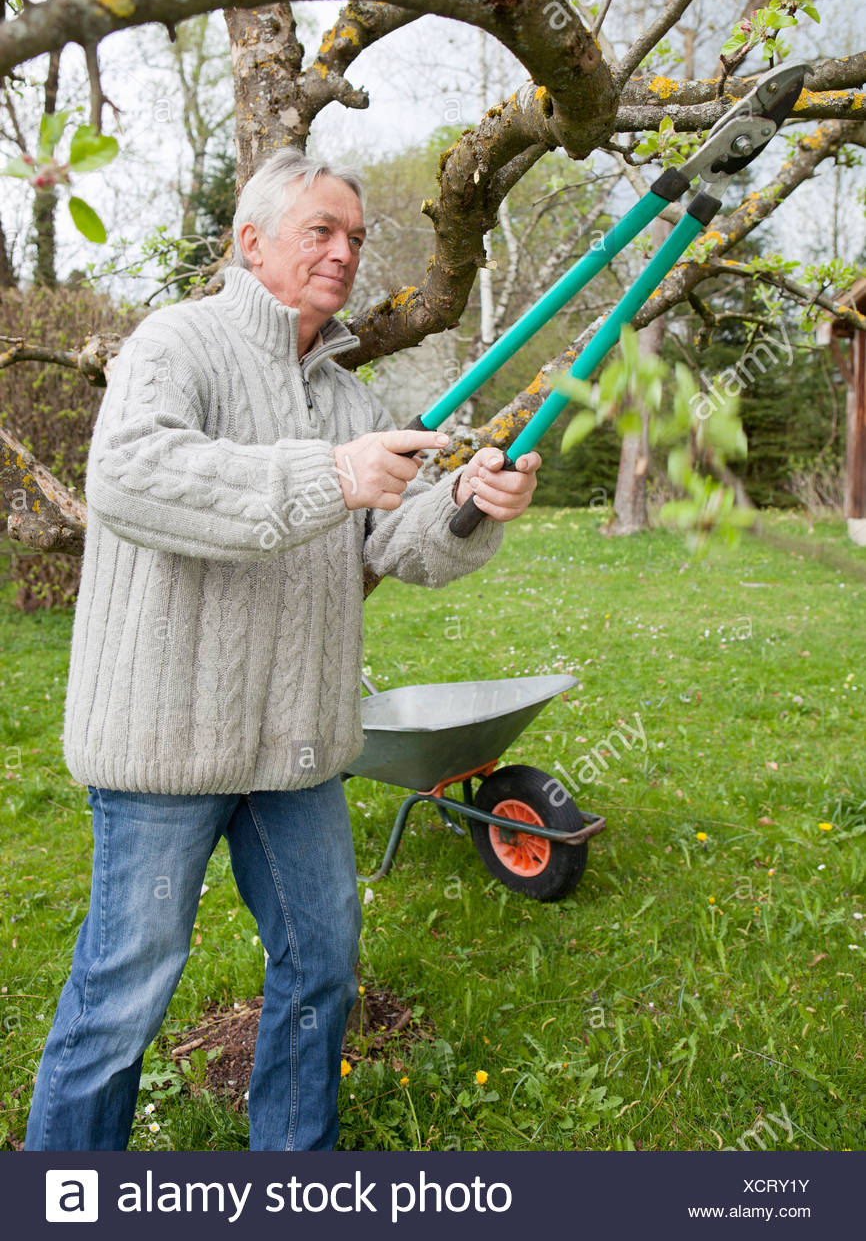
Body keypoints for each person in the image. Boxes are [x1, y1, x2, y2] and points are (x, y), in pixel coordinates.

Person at [24, 147, 541, 1152]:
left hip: (298, 748)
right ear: (250, 241)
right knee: (122, 995)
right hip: (164, 747)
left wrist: (469, 506)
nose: (345, 250)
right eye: (322, 229)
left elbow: (397, 544)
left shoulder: (343, 395)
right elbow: (133, 477)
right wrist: (330, 474)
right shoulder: (174, 344)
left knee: (320, 970)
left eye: (355, 236)